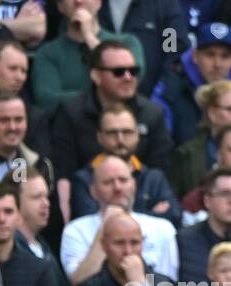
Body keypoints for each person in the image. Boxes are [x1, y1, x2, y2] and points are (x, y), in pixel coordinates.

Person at [49, 39, 173, 210]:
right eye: (119, 72)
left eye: (133, 71)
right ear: (96, 76)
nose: (128, 77)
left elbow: (161, 175)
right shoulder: (71, 113)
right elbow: (63, 173)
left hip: (142, 204)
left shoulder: (153, 114)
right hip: (86, 203)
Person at [60, 157, 178, 285]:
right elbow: (79, 282)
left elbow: (168, 285)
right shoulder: (75, 231)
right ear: (93, 191)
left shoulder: (162, 228)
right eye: (108, 182)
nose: (117, 187)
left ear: (134, 185)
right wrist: (106, 225)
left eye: (123, 180)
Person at [151, 21, 231, 145]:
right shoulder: (170, 91)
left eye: (225, 56)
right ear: (195, 56)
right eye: (210, 54)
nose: (217, 64)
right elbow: (160, 144)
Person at [68, 103, 181, 225]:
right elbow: (89, 223)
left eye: (127, 132)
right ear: (100, 137)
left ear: (137, 135)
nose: (120, 139)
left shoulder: (154, 178)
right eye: (112, 133)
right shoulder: (84, 179)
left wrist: (113, 214)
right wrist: (151, 215)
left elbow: (174, 217)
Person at [31, 0, 146, 113]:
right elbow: (48, 100)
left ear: (99, 2)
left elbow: (130, 81)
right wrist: (104, 96)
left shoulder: (127, 42)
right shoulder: (47, 53)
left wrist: (89, 37)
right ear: (60, 6)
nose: (78, 1)